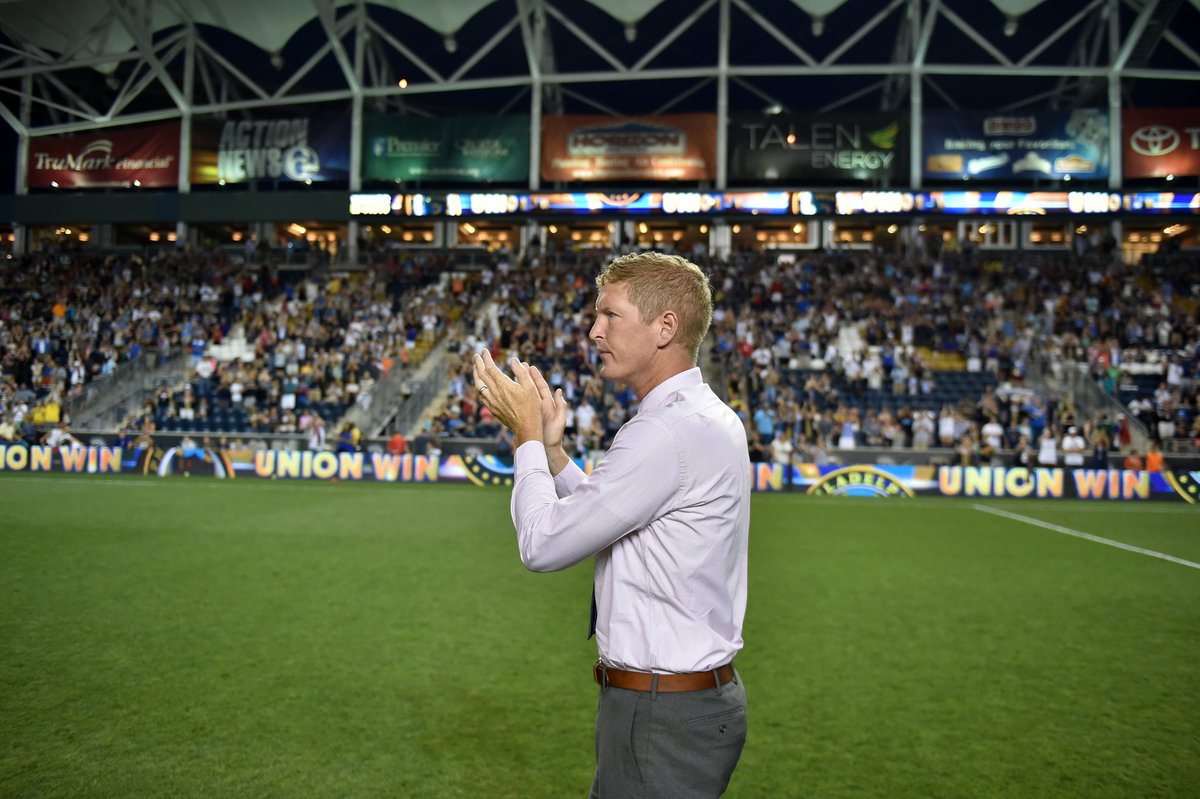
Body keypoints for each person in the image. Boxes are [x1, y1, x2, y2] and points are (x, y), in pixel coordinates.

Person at [472, 252, 749, 798]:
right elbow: (616, 514)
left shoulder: (664, 432)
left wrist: (526, 437)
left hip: (661, 711)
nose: (594, 331)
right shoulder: (701, 417)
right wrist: (552, 454)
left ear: (665, 326)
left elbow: (543, 543)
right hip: (682, 705)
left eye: (610, 315)